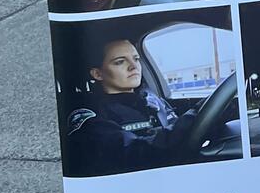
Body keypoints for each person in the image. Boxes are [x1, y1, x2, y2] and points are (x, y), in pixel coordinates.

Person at [63, 37, 180, 176]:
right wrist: (187, 124)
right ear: (98, 74)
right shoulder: (90, 114)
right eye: (120, 62)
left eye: (136, 59)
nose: (133, 66)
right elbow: (129, 150)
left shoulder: (151, 98)